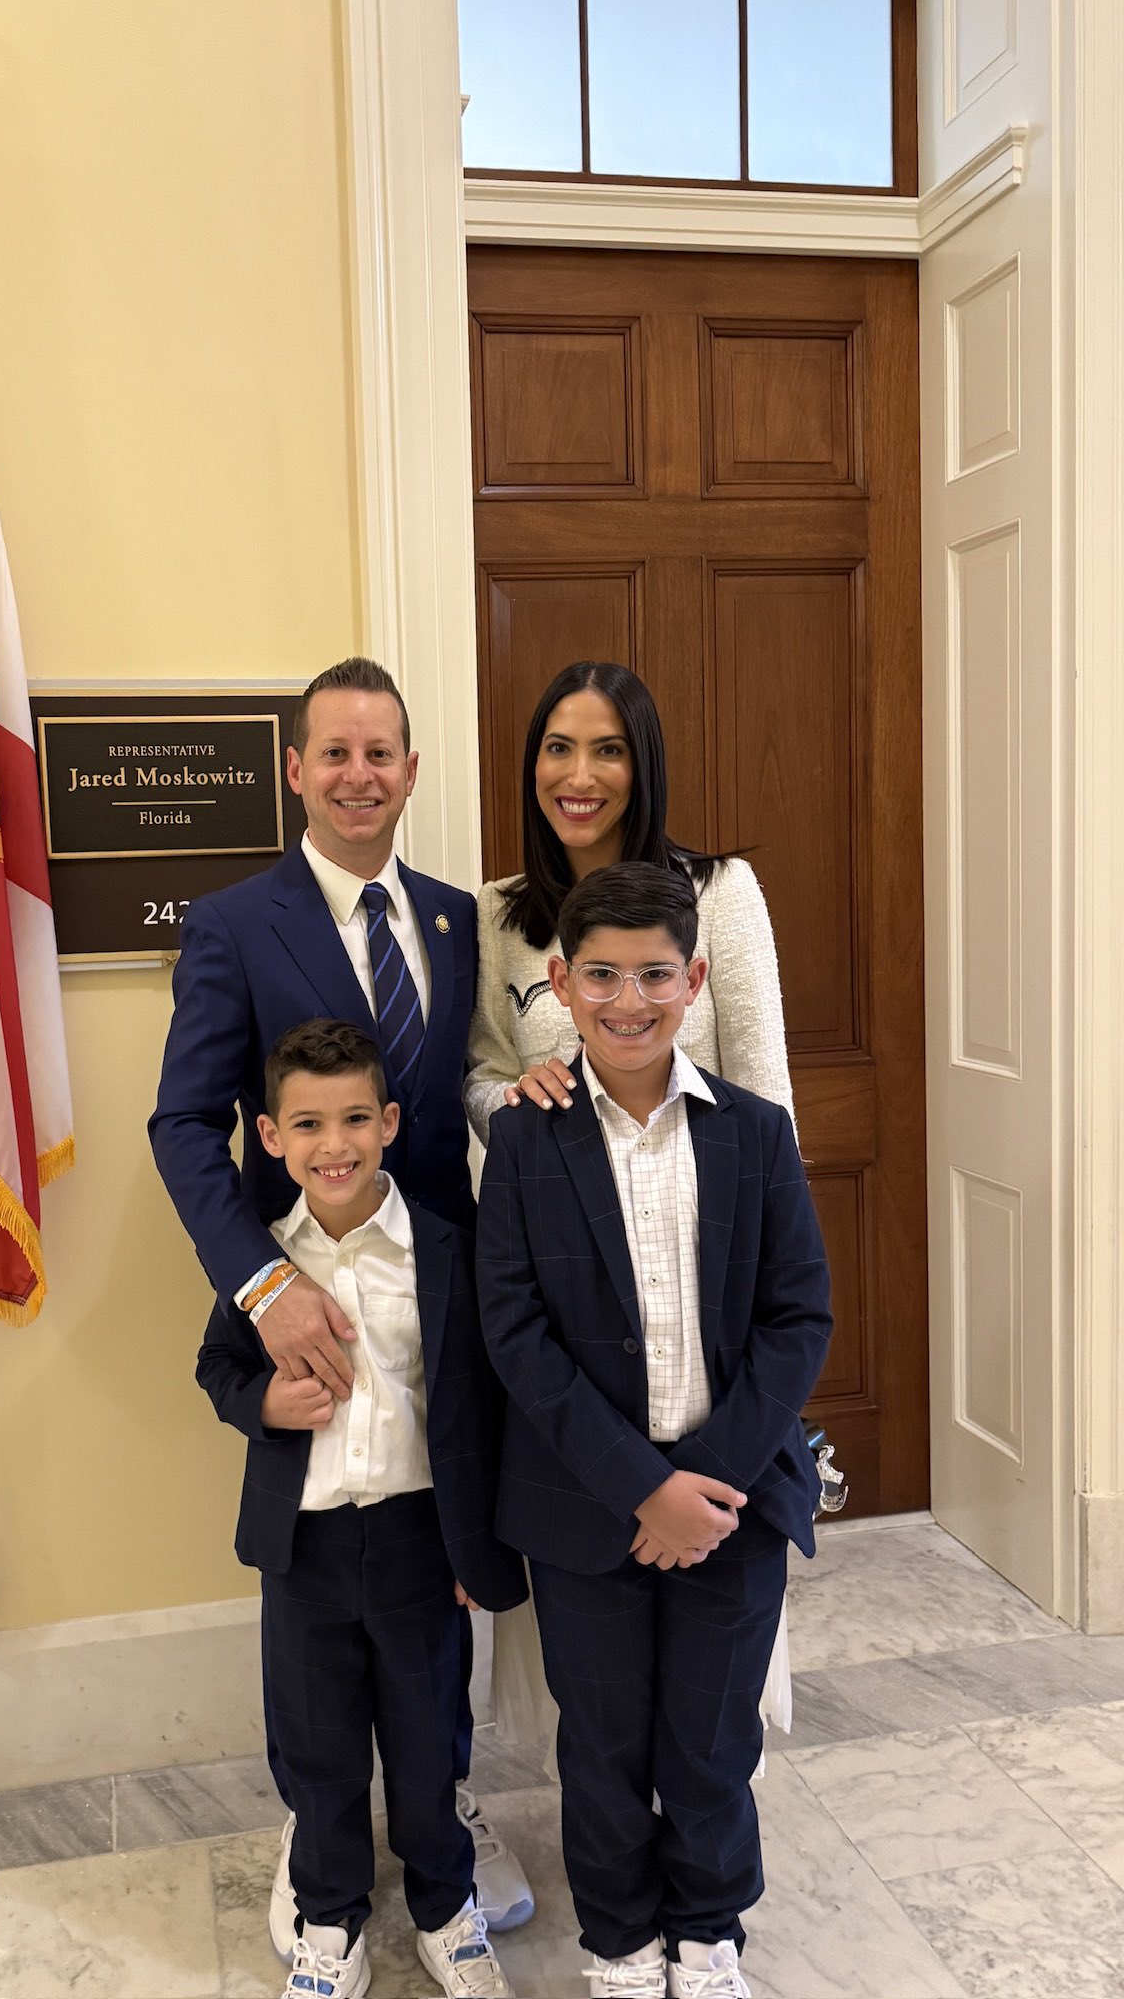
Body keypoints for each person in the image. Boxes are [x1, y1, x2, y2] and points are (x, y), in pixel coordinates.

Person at [150, 657, 533, 1945]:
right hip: (308, 1293)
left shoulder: (448, 917)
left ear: (412, 771)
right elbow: (185, 1123)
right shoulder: (233, 921)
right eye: (336, 752)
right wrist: (262, 1285)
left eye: (383, 753)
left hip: (438, 1298)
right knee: (320, 1631)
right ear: (296, 770)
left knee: (435, 1593)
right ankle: (319, 1842)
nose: (360, 774)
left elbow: (470, 1085)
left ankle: (443, 1815)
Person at [477, 864, 833, 1999]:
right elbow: (514, 1329)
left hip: (731, 1502)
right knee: (606, 1740)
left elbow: (798, 1314)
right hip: (590, 1512)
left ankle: (708, 1931)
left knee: (714, 1735)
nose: (628, 1000)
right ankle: (622, 1940)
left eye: (653, 974)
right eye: (602, 975)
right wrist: (641, 1486)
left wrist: (706, 1482)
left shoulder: (755, 1136)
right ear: (559, 984)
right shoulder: (528, 1144)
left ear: (697, 979)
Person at [464, 659, 795, 1747]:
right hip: (576, 1318)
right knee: (595, 1692)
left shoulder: (723, 893)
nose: (580, 774)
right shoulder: (499, 916)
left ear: (642, 762)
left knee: (708, 1695)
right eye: (558, 747)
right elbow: (477, 1072)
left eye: (607, 747)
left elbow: (766, 1090)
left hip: (704, 1311)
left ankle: (706, 1845)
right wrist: (515, 1091)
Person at [197, 1019, 526, 1999]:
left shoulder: (444, 1250)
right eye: (307, 1123)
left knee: (429, 1738)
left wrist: (479, 1542)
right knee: (318, 1740)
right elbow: (216, 1367)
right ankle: (330, 1915)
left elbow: (479, 1402)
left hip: (422, 1537)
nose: (332, 1143)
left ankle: (443, 1907)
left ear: (388, 1122)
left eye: (352, 1118)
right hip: (306, 1546)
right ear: (270, 1135)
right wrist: (263, 1402)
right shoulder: (259, 1264)